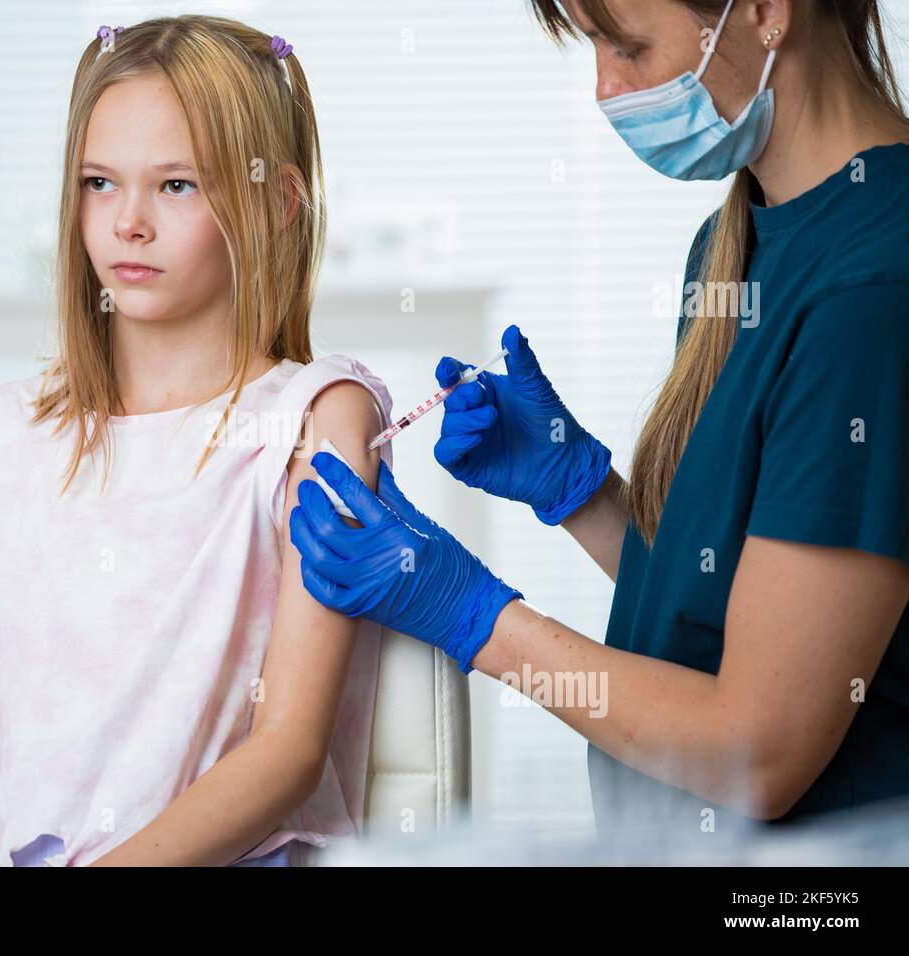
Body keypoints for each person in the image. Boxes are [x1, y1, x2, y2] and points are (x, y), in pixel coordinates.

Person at [291, 0, 909, 841]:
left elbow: (760, 750)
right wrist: (580, 491)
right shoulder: (730, 251)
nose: (605, 90)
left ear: (766, 12)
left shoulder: (874, 287)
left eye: (627, 45)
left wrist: (475, 615)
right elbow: (729, 614)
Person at [0, 15, 394, 866]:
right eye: (99, 182)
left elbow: (288, 749)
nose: (127, 222)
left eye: (176, 186)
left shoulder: (318, 418)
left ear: (277, 203)